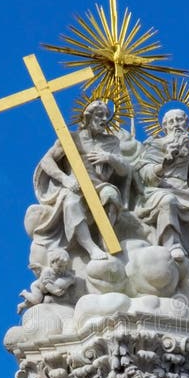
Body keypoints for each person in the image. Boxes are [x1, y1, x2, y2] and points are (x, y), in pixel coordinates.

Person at [27, 101, 130, 261]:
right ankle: (91, 248)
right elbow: (47, 161)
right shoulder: (72, 138)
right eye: (99, 115)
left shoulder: (110, 142)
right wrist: (65, 179)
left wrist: (109, 158)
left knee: (111, 194)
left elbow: (124, 169)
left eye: (106, 116)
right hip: (75, 185)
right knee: (71, 204)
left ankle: (105, 237)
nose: (104, 119)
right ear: (88, 117)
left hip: (98, 184)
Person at [136, 108, 189, 261]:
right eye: (171, 122)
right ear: (165, 127)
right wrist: (164, 165)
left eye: (179, 120)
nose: (176, 124)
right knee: (168, 201)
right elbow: (144, 173)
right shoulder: (155, 144)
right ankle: (172, 244)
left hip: (184, 191)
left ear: (187, 123)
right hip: (157, 189)